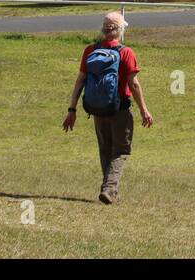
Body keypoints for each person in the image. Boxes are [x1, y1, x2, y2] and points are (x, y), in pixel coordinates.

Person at [63, 12, 153, 204]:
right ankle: (110, 189)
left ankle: (110, 191)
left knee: (105, 150)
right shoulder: (125, 52)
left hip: (97, 109)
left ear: (103, 30)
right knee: (121, 151)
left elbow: (80, 81)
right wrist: (144, 110)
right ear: (119, 31)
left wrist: (72, 110)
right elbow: (134, 84)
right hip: (119, 109)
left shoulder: (90, 50)